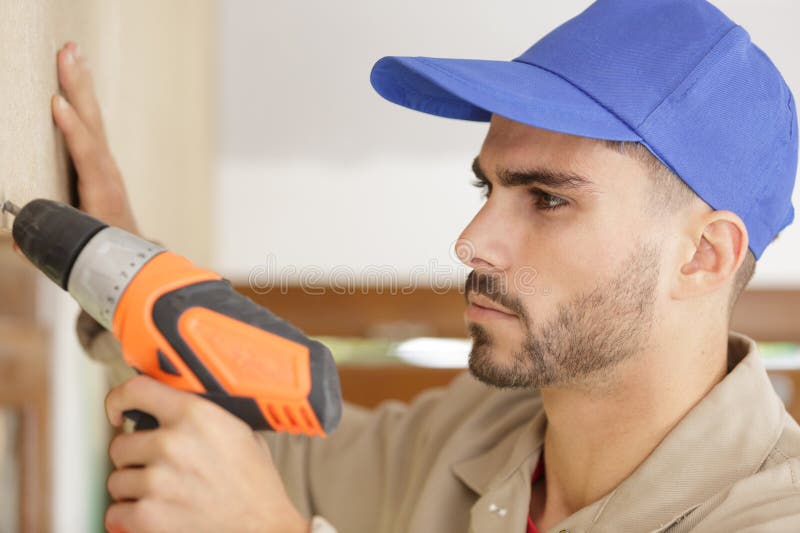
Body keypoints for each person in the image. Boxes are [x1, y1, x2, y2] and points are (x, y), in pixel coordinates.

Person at [50, 1, 799, 532]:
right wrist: (129, 275)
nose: (471, 241)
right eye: (489, 186)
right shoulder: (477, 430)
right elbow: (245, 455)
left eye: (546, 199)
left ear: (703, 256)